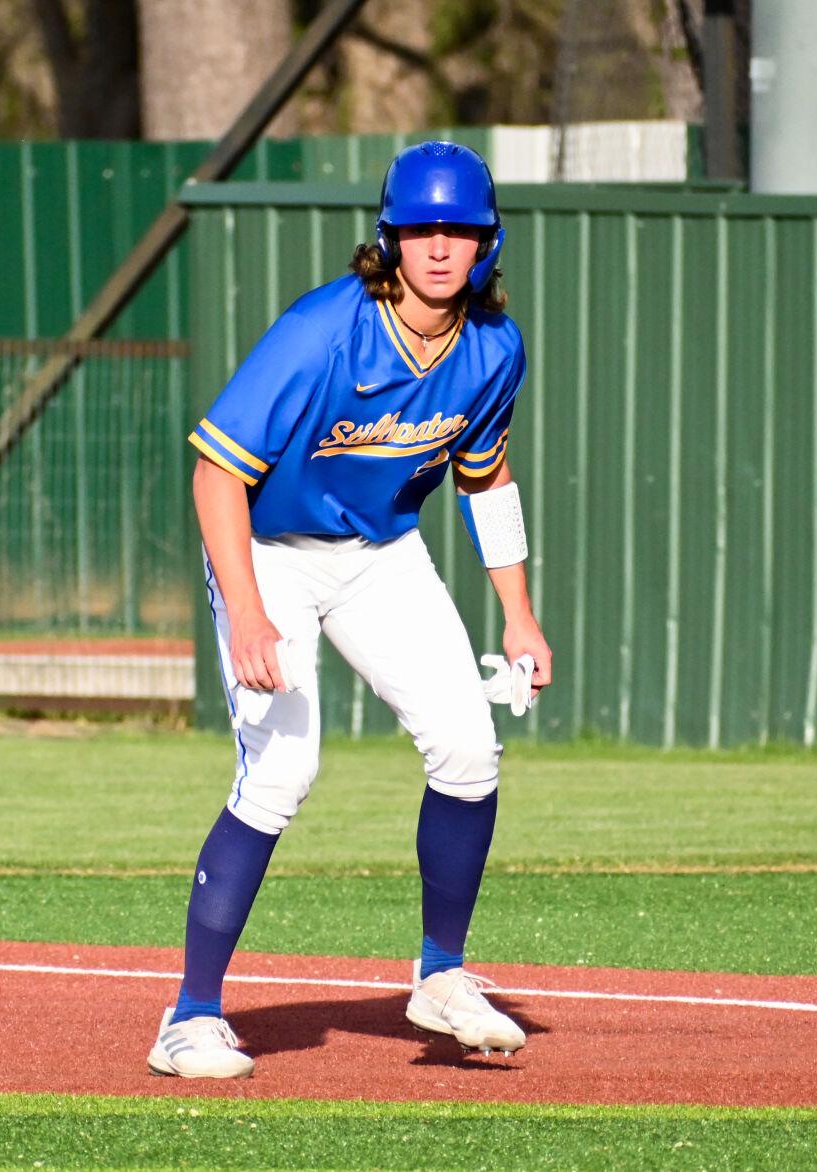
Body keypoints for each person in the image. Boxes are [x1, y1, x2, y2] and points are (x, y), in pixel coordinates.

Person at [146, 141, 553, 1079]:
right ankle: (190, 1018)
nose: (440, 247)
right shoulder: (324, 329)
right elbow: (215, 473)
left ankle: (441, 975)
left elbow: (485, 480)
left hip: (381, 556)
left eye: (461, 229)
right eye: (421, 229)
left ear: (489, 241)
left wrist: (518, 617)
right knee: (283, 768)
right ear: (390, 237)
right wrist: (247, 613)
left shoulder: (494, 348)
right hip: (269, 554)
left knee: (467, 746)